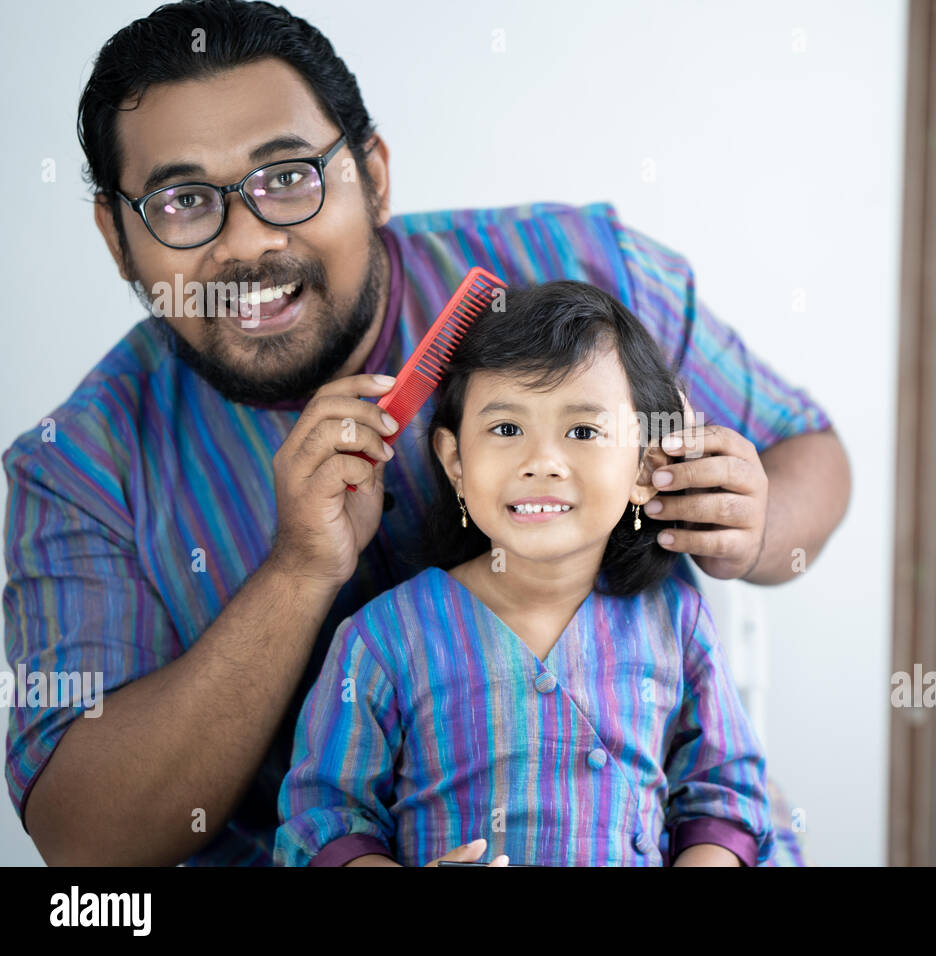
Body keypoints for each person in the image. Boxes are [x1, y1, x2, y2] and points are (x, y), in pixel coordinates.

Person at [3, 0, 850, 865]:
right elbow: (86, 841)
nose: (247, 241)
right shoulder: (75, 467)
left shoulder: (591, 270)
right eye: (182, 201)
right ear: (116, 235)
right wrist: (300, 572)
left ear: (373, 174)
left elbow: (806, 446)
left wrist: (754, 531)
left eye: (289, 175)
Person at [277, 280, 772, 867]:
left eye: (583, 431)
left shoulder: (678, 624)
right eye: (507, 429)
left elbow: (725, 797)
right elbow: (324, 819)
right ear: (455, 461)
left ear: (645, 468)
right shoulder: (383, 640)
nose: (541, 462)